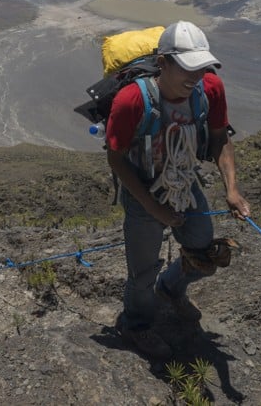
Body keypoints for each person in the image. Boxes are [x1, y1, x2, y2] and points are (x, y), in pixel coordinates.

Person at [105, 20, 251, 360]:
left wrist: (232, 189)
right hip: (144, 192)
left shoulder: (210, 89)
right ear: (163, 63)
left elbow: (219, 137)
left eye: (201, 68)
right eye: (186, 68)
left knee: (202, 250)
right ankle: (136, 324)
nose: (194, 77)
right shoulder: (132, 100)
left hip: (184, 183)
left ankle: (170, 289)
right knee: (141, 272)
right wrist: (154, 209)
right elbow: (117, 159)